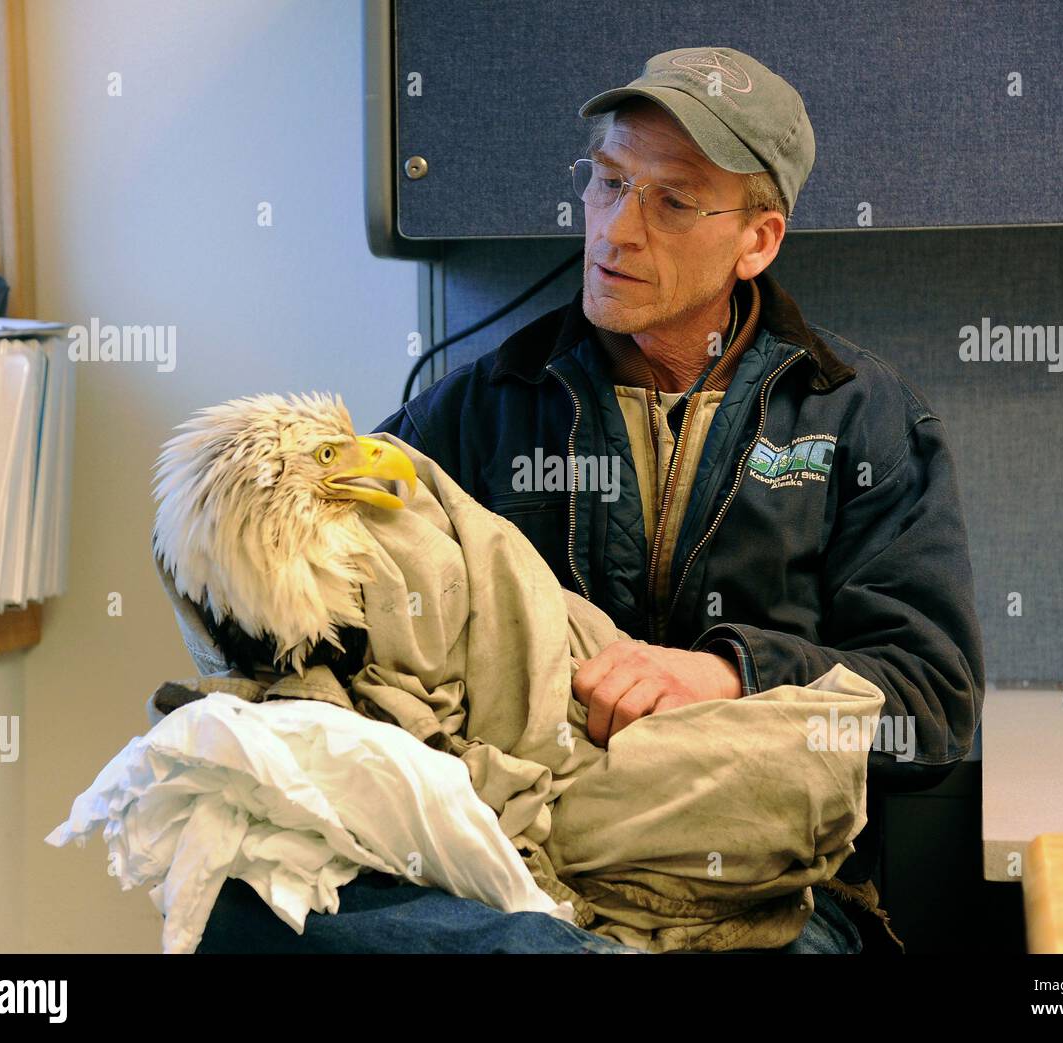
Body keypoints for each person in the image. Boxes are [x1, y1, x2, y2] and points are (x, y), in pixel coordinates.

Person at [198, 46, 984, 954]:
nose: (615, 230)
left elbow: (933, 700)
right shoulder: (476, 409)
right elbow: (330, 620)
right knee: (247, 914)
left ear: (757, 240)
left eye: (673, 201)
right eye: (609, 181)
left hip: (764, 887)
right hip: (503, 859)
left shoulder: (864, 421)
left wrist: (731, 675)